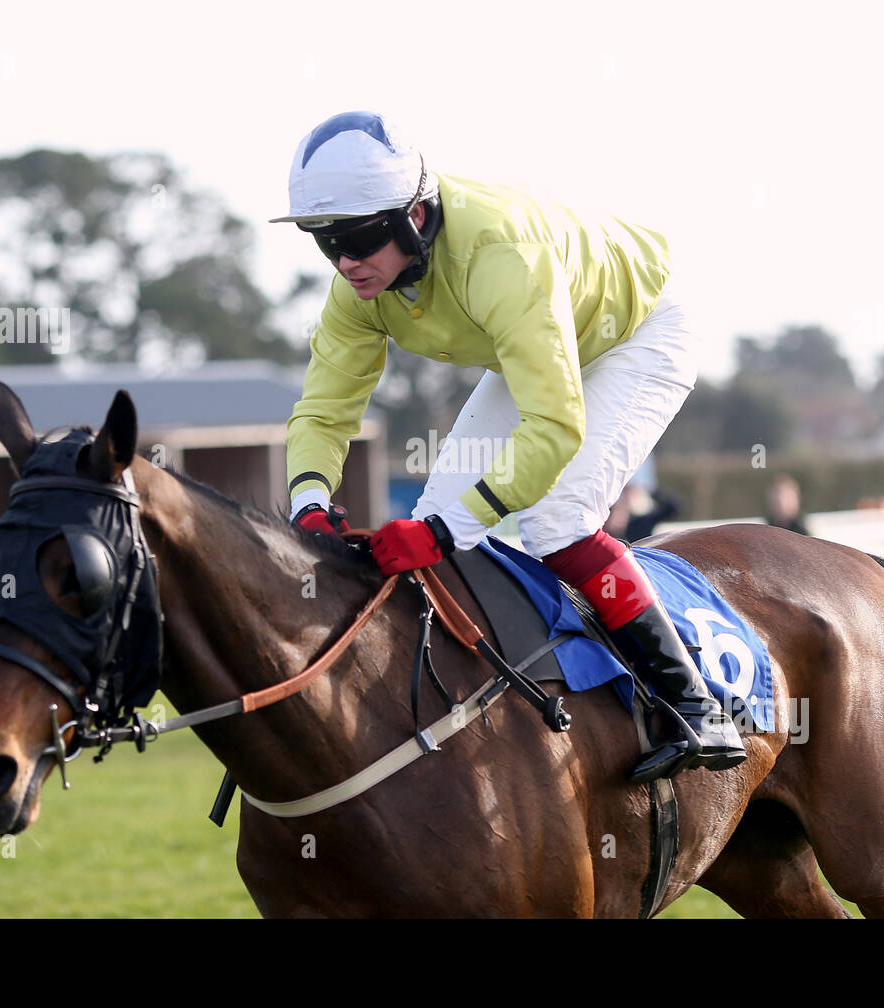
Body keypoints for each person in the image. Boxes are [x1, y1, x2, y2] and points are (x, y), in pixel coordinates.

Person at [273, 111, 744, 781]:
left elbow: (553, 429)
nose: (346, 262)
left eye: (359, 238)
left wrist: (440, 529)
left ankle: (695, 705)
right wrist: (310, 506)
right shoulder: (357, 290)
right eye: (326, 243)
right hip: (540, 337)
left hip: (641, 326)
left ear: (416, 212)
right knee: (440, 521)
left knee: (556, 519)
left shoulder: (498, 252)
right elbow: (324, 410)